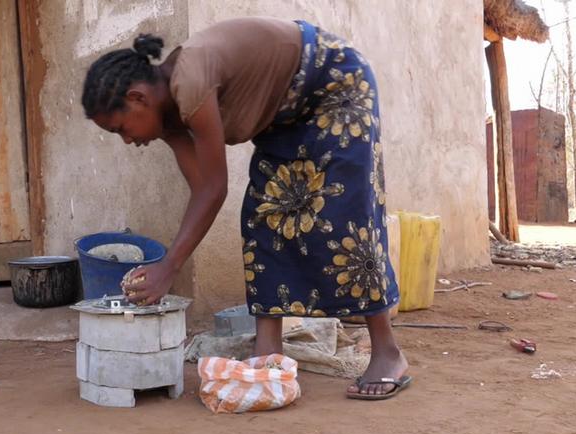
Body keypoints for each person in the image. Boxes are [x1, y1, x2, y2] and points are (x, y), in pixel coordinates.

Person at [80, 17, 411, 400]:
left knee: (346, 222)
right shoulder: (169, 119)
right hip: (284, 117)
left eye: (121, 127)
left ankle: (388, 353)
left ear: (138, 97)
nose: (126, 140)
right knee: (264, 219)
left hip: (334, 84)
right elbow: (202, 189)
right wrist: (165, 265)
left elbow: (215, 189)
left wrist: (168, 266)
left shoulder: (189, 81)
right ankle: (267, 355)